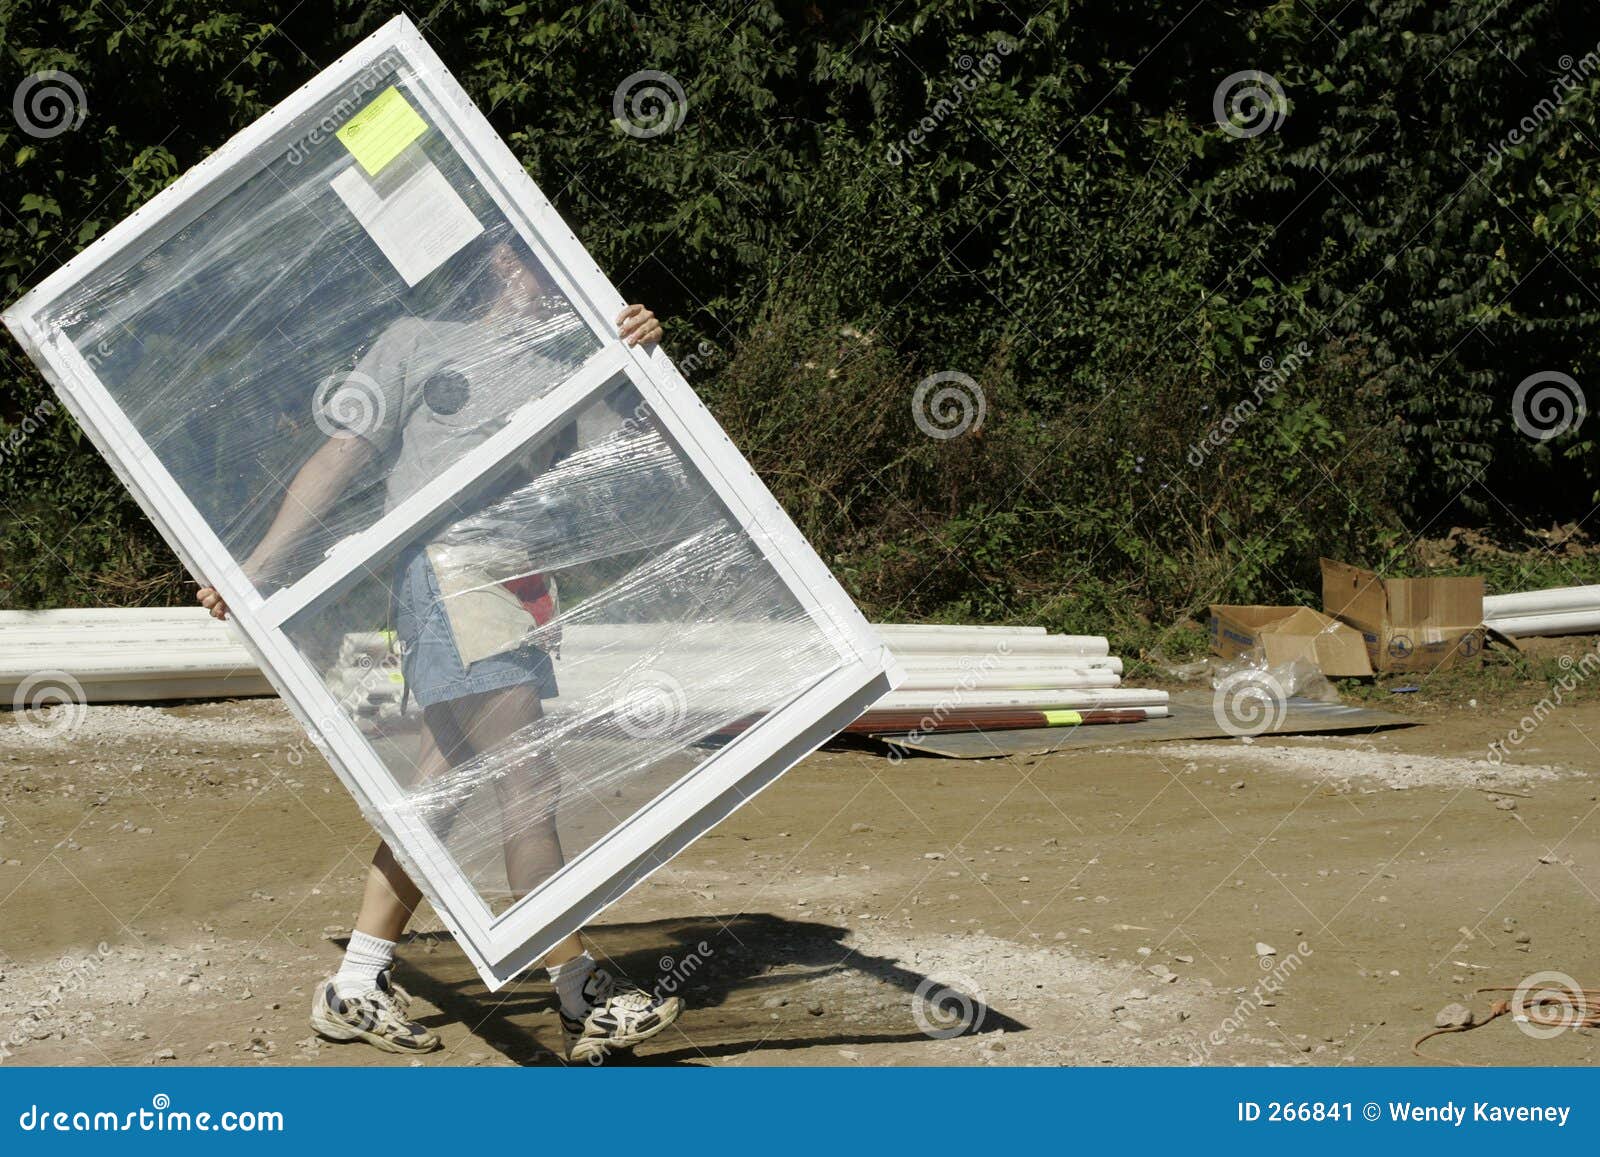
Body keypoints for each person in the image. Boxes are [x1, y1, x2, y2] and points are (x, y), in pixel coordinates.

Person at [196, 238, 681, 1063]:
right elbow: (339, 454)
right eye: (532, 262)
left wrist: (646, 362)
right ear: (500, 261)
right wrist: (251, 570)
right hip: (449, 577)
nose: (549, 281)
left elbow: (643, 457)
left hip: (513, 588)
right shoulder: (417, 340)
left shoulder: (571, 365)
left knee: (447, 782)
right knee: (527, 773)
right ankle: (577, 989)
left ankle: (357, 979)